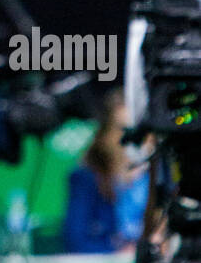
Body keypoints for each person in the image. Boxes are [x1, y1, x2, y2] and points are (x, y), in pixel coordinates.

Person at [63, 90, 152, 253]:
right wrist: (120, 254)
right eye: (123, 131)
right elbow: (77, 241)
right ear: (104, 136)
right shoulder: (85, 179)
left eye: (140, 131)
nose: (132, 140)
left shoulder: (158, 177)